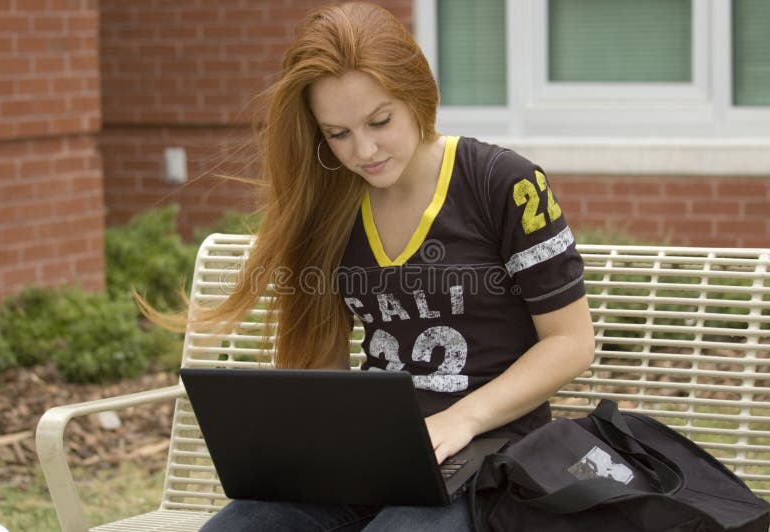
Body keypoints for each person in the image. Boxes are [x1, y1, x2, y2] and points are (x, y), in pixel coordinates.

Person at [185, 2, 595, 530]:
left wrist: (461, 418)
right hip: (371, 459)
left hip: (492, 452)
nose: (365, 150)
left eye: (380, 121)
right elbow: (322, 369)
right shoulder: (328, 205)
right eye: (337, 133)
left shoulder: (504, 182)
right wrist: (296, 443)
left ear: (419, 95)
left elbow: (571, 342)